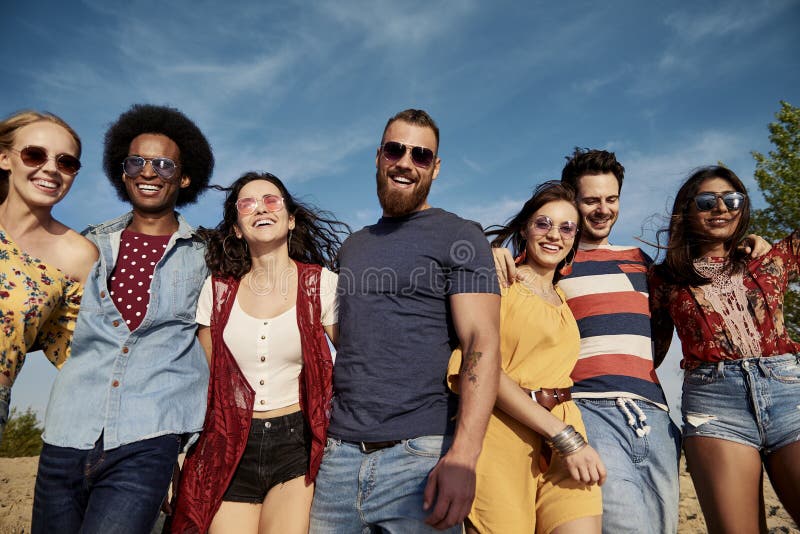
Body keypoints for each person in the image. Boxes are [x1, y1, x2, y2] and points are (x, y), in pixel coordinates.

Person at [309, 109, 501, 533]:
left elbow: (480, 342)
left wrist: (464, 457)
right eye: (396, 150)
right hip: (337, 460)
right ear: (379, 156)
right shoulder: (352, 248)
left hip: (421, 458)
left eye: (420, 155)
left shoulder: (460, 236)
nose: (405, 163)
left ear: (435, 167)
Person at [32, 104, 214, 534]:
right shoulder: (85, 246)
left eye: (163, 163)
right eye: (137, 161)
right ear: (123, 171)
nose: (148, 172)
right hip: (66, 432)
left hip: (149, 439)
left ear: (184, 178)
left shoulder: (207, 255)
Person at [494, 149, 681, 533]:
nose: (602, 209)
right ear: (573, 202)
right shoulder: (555, 261)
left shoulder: (641, 262)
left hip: (654, 412)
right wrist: (492, 251)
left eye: (611, 199)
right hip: (589, 408)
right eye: (591, 200)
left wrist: (752, 244)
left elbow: (659, 334)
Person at [171, 172, 349, 533]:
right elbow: (206, 382)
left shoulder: (321, 284)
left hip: (295, 444)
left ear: (291, 218)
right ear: (237, 227)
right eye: (247, 204)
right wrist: (182, 447)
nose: (260, 209)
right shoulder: (216, 291)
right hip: (229, 445)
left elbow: (356, 359)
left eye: (271, 200)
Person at [649, 165, 800, 532]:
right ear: (688, 210)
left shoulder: (771, 259)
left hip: (789, 395)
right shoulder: (665, 278)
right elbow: (649, 350)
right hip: (715, 406)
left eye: (731, 199)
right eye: (706, 201)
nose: (720, 208)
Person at [452, 181, 605, 533]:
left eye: (567, 227)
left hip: (567, 443)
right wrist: (563, 436)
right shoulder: (498, 283)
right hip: (503, 436)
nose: (555, 235)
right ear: (525, 228)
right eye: (543, 223)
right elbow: (478, 368)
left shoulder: (564, 298)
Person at [0, 111, 97, 443]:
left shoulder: (78, 255)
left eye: (67, 162)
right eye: (34, 154)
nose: (51, 168)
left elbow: (86, 358)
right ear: (4, 158)